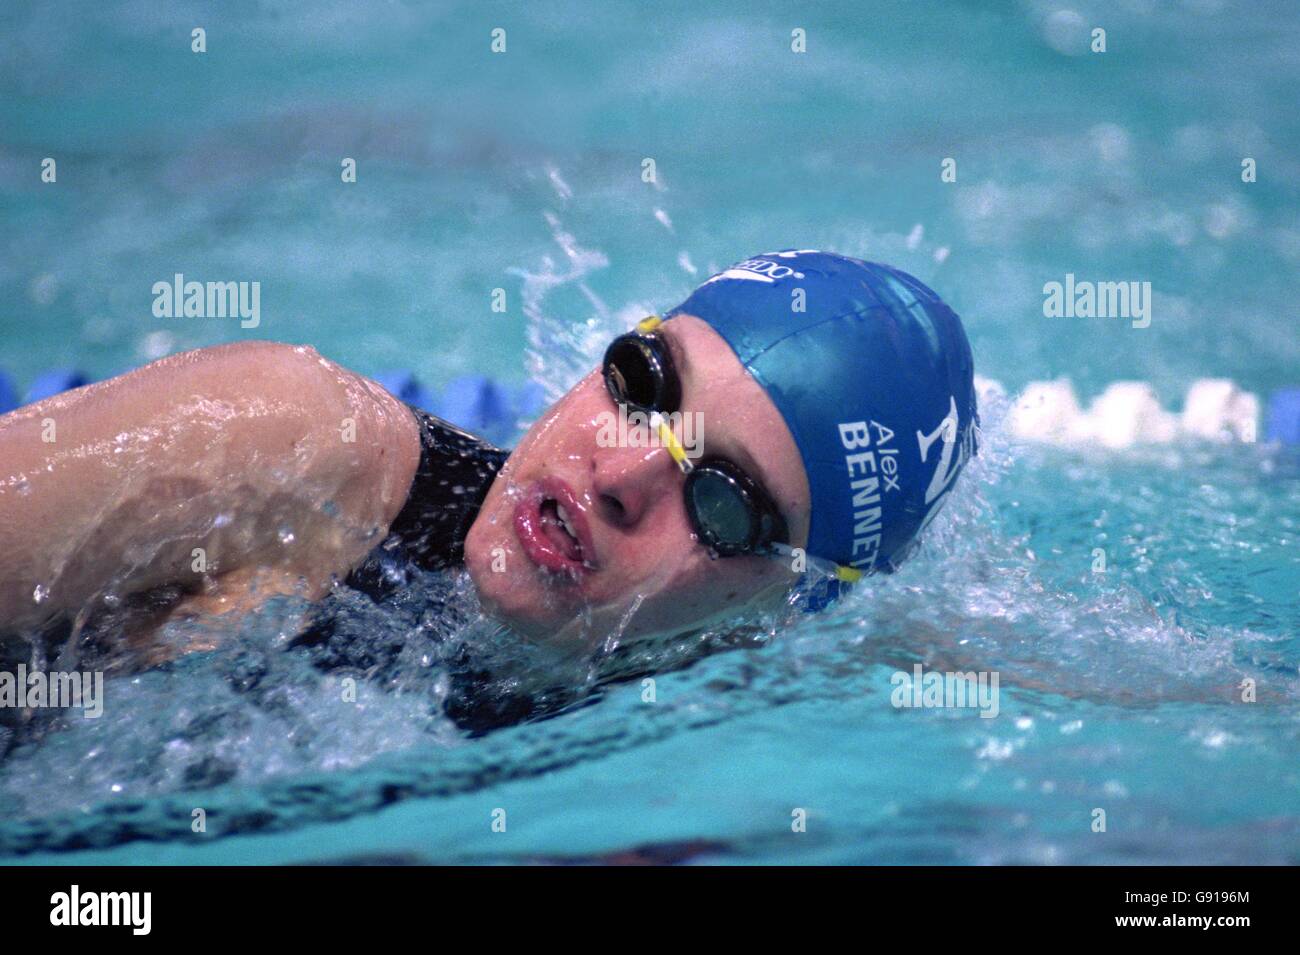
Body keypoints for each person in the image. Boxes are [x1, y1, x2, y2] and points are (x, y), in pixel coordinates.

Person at [0, 250, 978, 670]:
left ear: (784, 602)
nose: (619, 474)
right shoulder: (293, 449)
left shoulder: (743, 695)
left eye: (723, 503)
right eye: (641, 379)